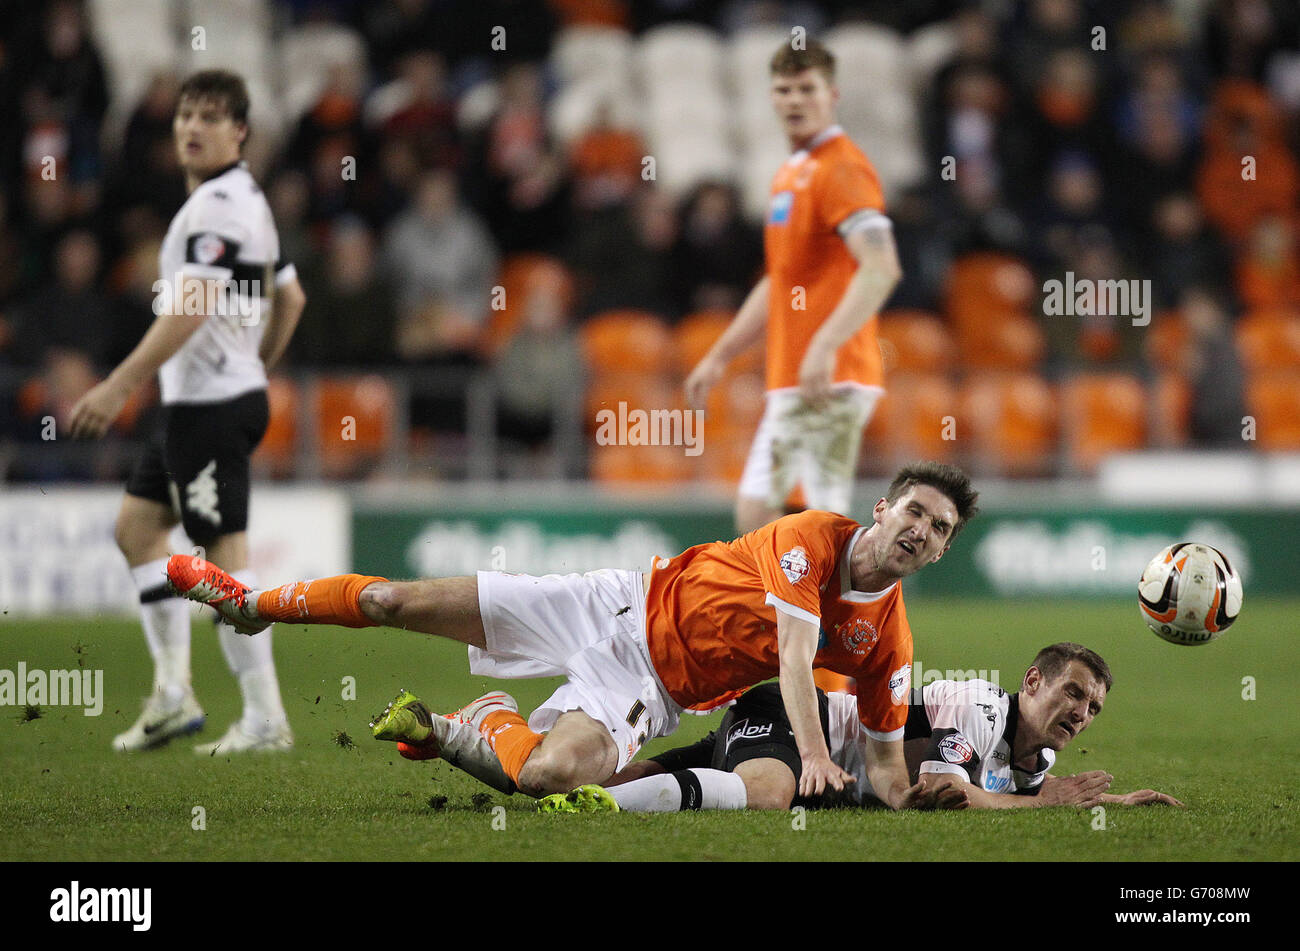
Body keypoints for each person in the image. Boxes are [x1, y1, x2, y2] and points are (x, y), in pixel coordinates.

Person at [168, 461, 980, 802]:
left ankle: (479, 723)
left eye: (938, 527)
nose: (920, 529)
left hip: (651, 685)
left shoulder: (889, 643)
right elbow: (797, 655)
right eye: (914, 509)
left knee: (550, 777)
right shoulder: (812, 537)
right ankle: (249, 601)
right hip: (610, 598)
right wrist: (808, 756)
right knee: (397, 602)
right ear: (885, 508)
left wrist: (968, 799)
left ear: (942, 550)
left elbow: (883, 762)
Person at [70, 70, 307, 754]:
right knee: (138, 529)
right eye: (184, 116)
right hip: (201, 405)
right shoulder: (244, 202)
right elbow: (290, 298)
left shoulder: (217, 208)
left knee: (225, 561)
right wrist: (258, 361)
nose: (192, 128)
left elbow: (196, 303)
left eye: (210, 117)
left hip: (210, 408)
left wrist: (119, 383)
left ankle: (265, 718)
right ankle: (173, 693)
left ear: (240, 131)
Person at [535, 643, 1183, 813]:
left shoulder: (1031, 757)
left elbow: (1022, 790)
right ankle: (592, 806)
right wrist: (1046, 807)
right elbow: (947, 794)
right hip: (794, 720)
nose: (1081, 712)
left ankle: (492, 734)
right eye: (1074, 691)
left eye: (1093, 707)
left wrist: (1112, 799)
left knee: (604, 773)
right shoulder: (981, 706)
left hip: (797, 732)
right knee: (765, 794)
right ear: (1033, 682)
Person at [684, 38, 902, 535]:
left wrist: (825, 344)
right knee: (776, 521)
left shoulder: (841, 169)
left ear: (833, 95)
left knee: (795, 521)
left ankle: (843, 612)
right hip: (797, 375)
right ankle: (818, 612)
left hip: (830, 373)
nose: (795, 100)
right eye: (784, 90)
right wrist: (721, 354)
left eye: (808, 88)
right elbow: (779, 283)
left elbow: (881, 266)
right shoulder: (790, 173)